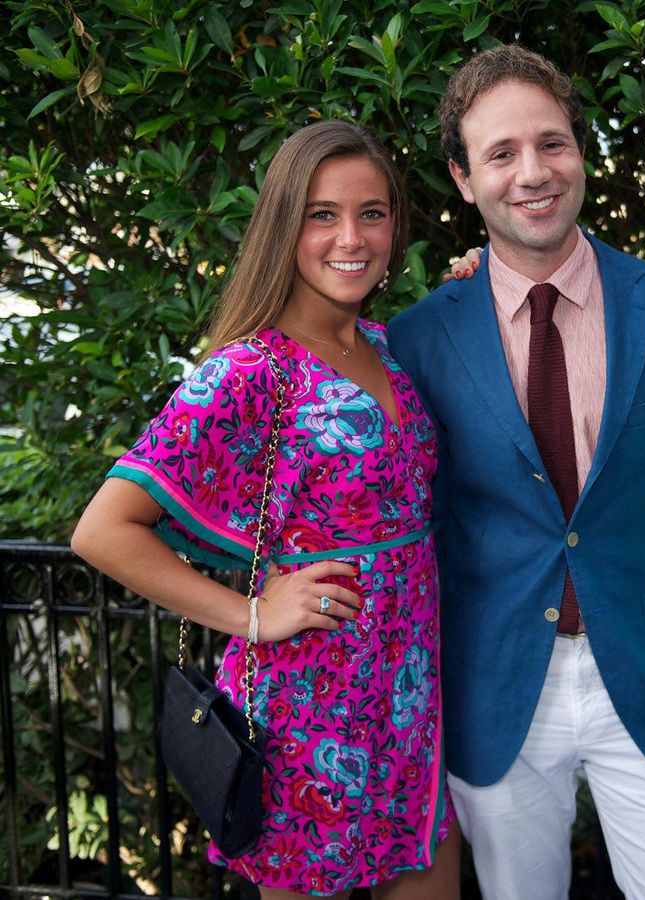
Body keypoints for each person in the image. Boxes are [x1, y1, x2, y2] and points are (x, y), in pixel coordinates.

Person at [72, 120, 460, 900]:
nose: (350, 237)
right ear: (285, 225)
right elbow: (102, 531)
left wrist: (478, 281)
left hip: (410, 710)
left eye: (372, 213)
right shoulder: (249, 370)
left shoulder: (385, 348)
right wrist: (251, 614)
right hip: (306, 717)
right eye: (322, 214)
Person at [387, 44, 645, 900]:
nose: (533, 172)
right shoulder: (421, 339)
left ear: (582, 152)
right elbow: (425, 511)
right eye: (501, 154)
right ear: (464, 180)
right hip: (498, 683)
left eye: (553, 143)